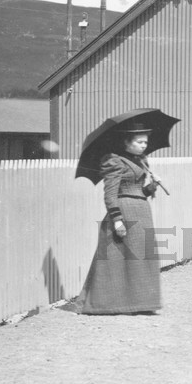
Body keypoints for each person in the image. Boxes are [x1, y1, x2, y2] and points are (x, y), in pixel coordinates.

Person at [74, 124, 165, 315]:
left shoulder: (140, 162)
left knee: (140, 258)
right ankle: (112, 304)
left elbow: (141, 192)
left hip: (141, 213)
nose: (143, 145)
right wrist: (117, 220)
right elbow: (110, 194)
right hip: (124, 212)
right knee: (119, 259)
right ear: (126, 142)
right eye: (139, 142)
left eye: (145, 142)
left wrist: (153, 184)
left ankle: (141, 303)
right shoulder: (114, 162)